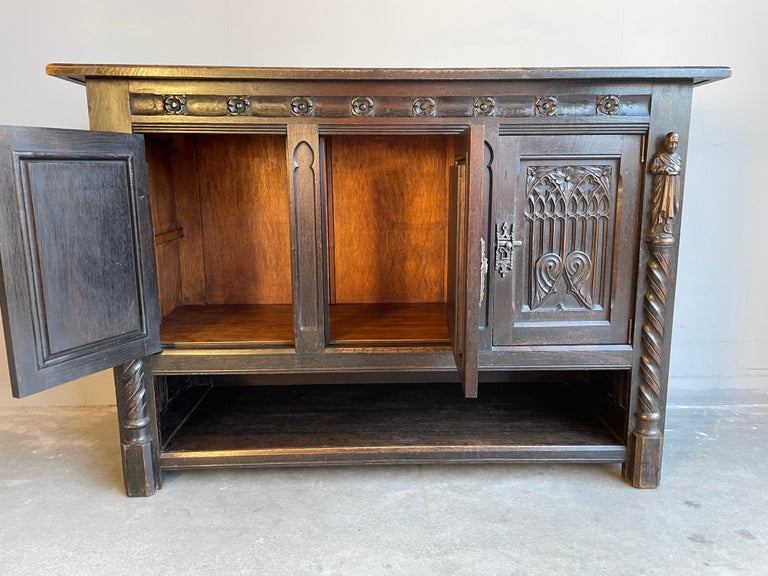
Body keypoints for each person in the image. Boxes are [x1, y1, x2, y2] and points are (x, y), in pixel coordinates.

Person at [649, 132, 681, 239]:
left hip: (672, 187)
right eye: (671, 143)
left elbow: (679, 169)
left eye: (676, 143)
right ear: (666, 143)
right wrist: (663, 169)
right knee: (657, 206)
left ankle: (666, 228)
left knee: (669, 207)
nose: (673, 146)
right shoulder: (660, 157)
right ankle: (655, 227)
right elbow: (653, 169)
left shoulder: (677, 158)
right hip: (662, 187)